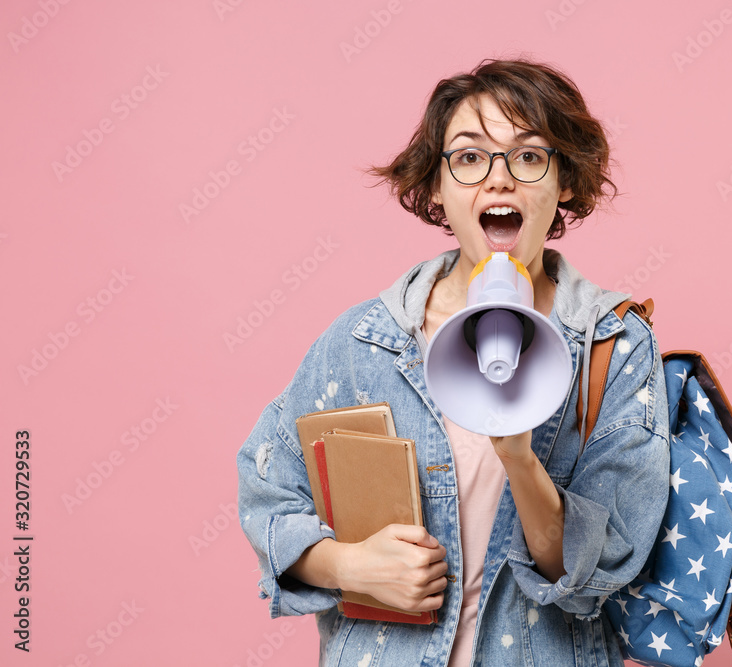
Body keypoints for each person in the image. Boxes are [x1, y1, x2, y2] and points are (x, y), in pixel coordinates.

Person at [237, 57, 671, 666]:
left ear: (565, 180)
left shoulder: (615, 347)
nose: (498, 180)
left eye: (527, 156)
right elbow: (268, 491)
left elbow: (600, 573)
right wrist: (349, 564)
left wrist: (520, 459)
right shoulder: (365, 342)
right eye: (469, 157)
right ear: (437, 187)